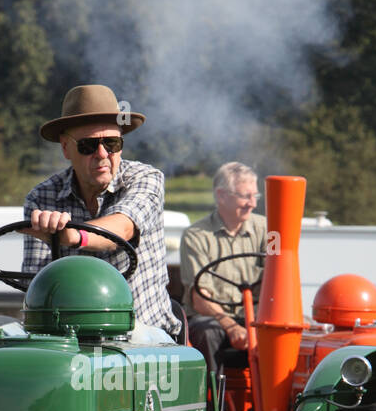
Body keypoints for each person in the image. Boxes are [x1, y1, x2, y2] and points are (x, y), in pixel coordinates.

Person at [21, 84, 179, 338]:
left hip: (145, 338)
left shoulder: (146, 179)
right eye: (88, 146)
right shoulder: (42, 198)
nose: (102, 154)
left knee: (137, 336)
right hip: (70, 341)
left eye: (112, 143)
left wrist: (73, 237)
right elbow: (35, 286)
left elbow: (123, 227)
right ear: (65, 148)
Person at [179, 162, 267, 374]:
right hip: (215, 318)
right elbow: (200, 299)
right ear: (221, 195)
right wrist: (231, 326)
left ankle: (283, 401)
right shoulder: (196, 236)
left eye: (256, 196)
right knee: (207, 332)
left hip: (253, 318)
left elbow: (281, 276)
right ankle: (213, 402)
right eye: (245, 196)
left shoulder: (269, 229)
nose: (252, 204)